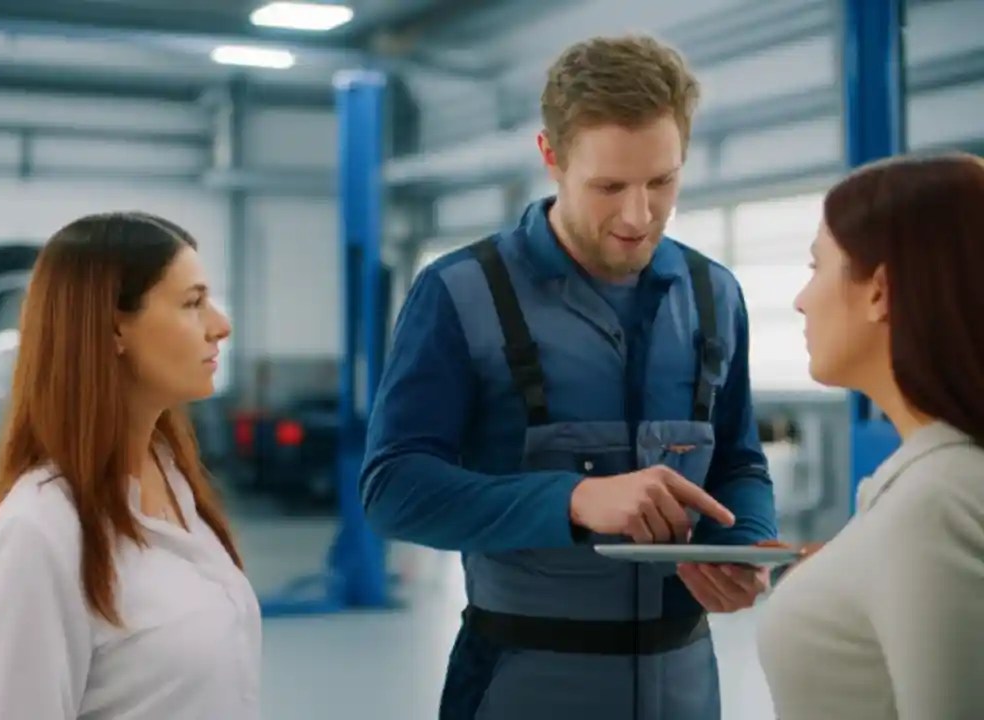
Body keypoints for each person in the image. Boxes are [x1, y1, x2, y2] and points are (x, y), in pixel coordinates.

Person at [360, 34, 779, 720]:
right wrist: (575, 501)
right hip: (523, 685)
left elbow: (739, 462)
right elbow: (392, 488)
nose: (639, 216)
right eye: (609, 186)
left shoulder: (714, 295)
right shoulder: (460, 294)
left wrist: (741, 545)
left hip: (686, 686)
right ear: (551, 157)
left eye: (662, 182)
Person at [0, 212, 260, 720]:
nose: (220, 326)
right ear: (114, 327)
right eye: (192, 303)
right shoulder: (36, 532)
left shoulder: (172, 479)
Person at [757, 153, 984, 719]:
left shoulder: (937, 500)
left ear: (880, 290)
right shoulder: (928, 484)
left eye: (816, 266)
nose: (802, 298)